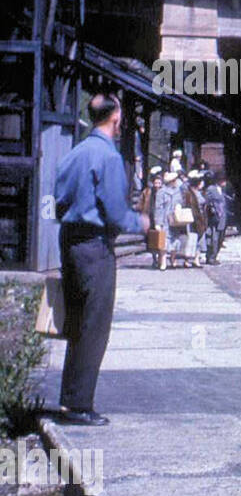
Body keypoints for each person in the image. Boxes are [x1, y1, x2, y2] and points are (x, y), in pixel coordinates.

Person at [53, 94, 150, 426]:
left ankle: (70, 399)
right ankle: (79, 405)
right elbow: (115, 212)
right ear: (116, 119)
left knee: (76, 321)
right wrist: (141, 223)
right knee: (94, 326)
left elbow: (57, 203)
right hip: (95, 247)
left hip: (70, 242)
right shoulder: (108, 157)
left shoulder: (74, 154)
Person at [203, 174, 228, 264]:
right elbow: (207, 202)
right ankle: (211, 257)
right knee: (214, 238)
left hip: (222, 217)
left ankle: (215, 255)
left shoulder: (223, 190)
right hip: (215, 217)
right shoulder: (211, 189)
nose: (225, 182)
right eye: (223, 180)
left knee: (220, 238)